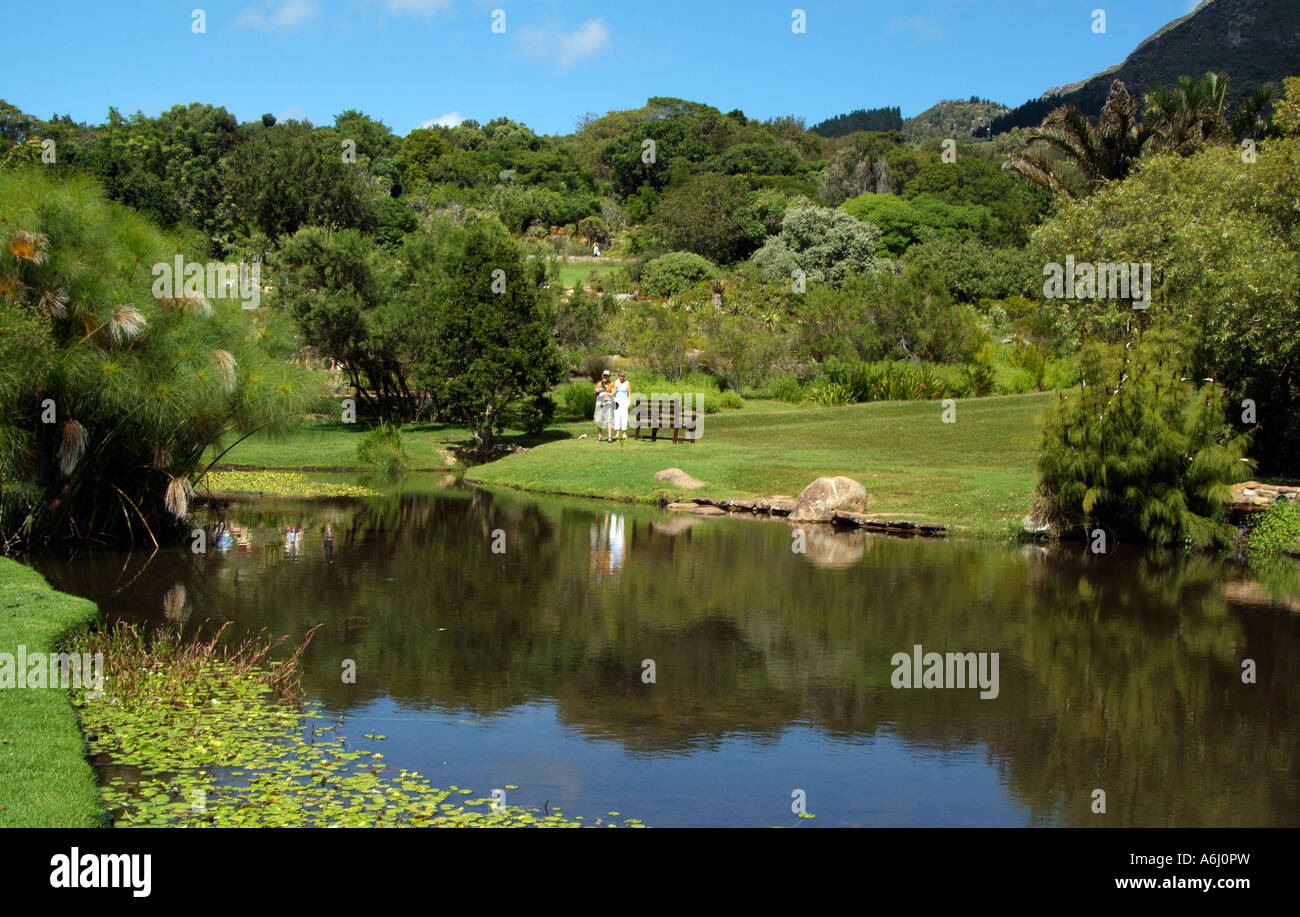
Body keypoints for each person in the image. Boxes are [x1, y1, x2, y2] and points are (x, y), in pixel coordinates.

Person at [593, 370, 614, 442]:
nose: (605, 377)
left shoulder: (612, 384)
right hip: (600, 404)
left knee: (609, 420)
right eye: (604, 375)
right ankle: (599, 437)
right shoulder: (599, 384)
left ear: (609, 376)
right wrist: (598, 391)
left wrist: (605, 394)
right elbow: (595, 393)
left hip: (608, 403)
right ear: (602, 375)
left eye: (607, 375)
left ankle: (609, 437)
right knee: (599, 420)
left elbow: (613, 393)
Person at [611, 370, 631, 442]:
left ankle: (624, 433)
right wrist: (615, 388)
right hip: (616, 401)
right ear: (618, 376)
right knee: (617, 416)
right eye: (620, 376)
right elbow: (612, 393)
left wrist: (629, 402)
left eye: (623, 376)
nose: (622, 377)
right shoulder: (615, 383)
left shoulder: (627, 383)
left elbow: (629, 393)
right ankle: (617, 433)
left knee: (624, 416)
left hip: (624, 401)